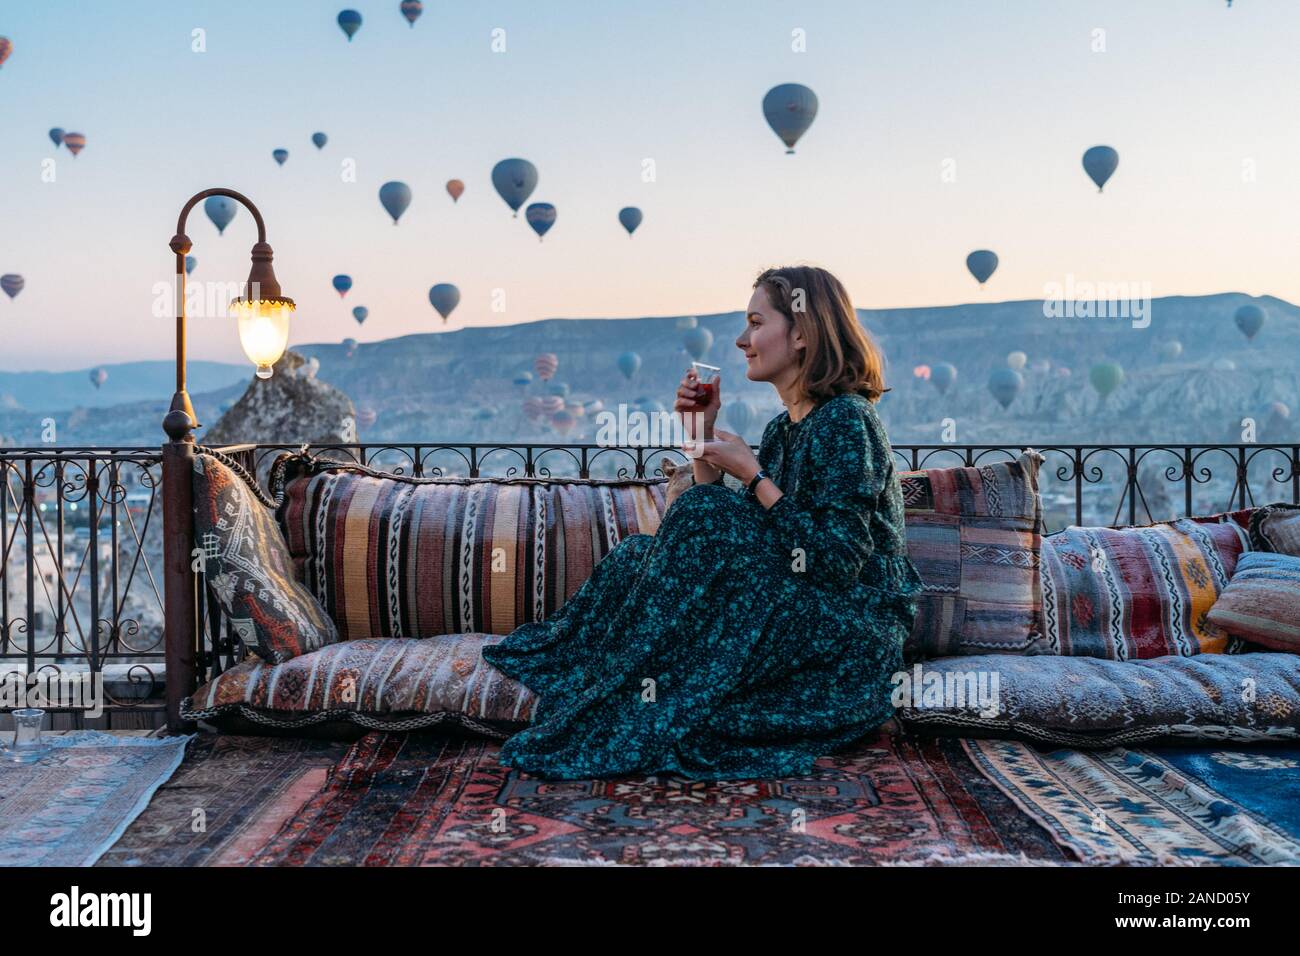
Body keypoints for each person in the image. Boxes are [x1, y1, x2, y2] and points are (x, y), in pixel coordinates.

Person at [479, 265, 924, 780]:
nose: (741, 341)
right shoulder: (785, 428)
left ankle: (628, 690)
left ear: (802, 333)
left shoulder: (848, 420)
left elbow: (835, 562)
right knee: (633, 557)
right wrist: (701, 439)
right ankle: (622, 685)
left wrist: (753, 474)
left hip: (849, 634)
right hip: (797, 606)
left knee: (701, 513)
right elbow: (733, 538)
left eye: (756, 323)